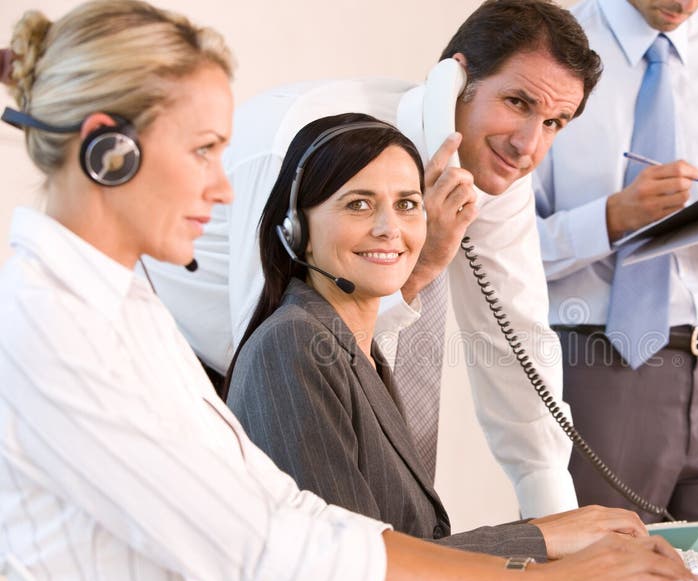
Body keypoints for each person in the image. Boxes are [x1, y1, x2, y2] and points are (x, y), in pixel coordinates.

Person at [0, 3, 697, 581]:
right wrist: (545, 578)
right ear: (108, 154)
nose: (222, 191)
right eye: (205, 150)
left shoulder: (122, 308)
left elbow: (304, 520)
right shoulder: (54, 327)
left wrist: (551, 536)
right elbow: (277, 557)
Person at [142, 0, 604, 518]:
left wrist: (558, 519)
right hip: (200, 376)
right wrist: (422, 264)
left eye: (555, 123)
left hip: (297, 375)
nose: (528, 145)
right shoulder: (310, 149)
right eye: (518, 102)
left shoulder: (497, 164)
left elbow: (517, 343)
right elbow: (281, 359)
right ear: (454, 80)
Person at [225, 114, 653, 581]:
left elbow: (401, 552)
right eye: (358, 204)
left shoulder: (352, 344)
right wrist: (545, 540)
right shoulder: (292, 347)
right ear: (296, 230)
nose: (390, 229)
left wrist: (559, 548)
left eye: (407, 205)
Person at [534, 0, 698, 525]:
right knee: (600, 575)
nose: (684, 4)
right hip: (602, 366)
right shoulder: (548, 54)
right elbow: (505, 245)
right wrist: (612, 217)